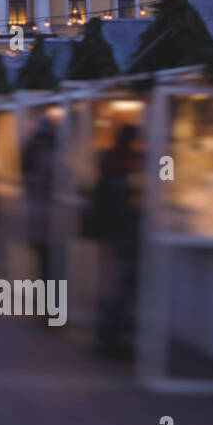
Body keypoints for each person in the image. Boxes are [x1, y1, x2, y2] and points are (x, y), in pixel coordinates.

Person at [92, 123, 143, 357]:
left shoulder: (108, 158)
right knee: (120, 287)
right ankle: (112, 338)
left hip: (108, 232)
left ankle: (105, 335)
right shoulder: (134, 161)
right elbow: (163, 182)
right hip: (122, 233)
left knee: (110, 285)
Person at [21, 117, 58, 281]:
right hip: (46, 211)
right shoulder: (47, 153)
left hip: (33, 209)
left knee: (39, 255)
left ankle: (42, 292)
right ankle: (49, 297)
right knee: (47, 257)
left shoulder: (29, 150)